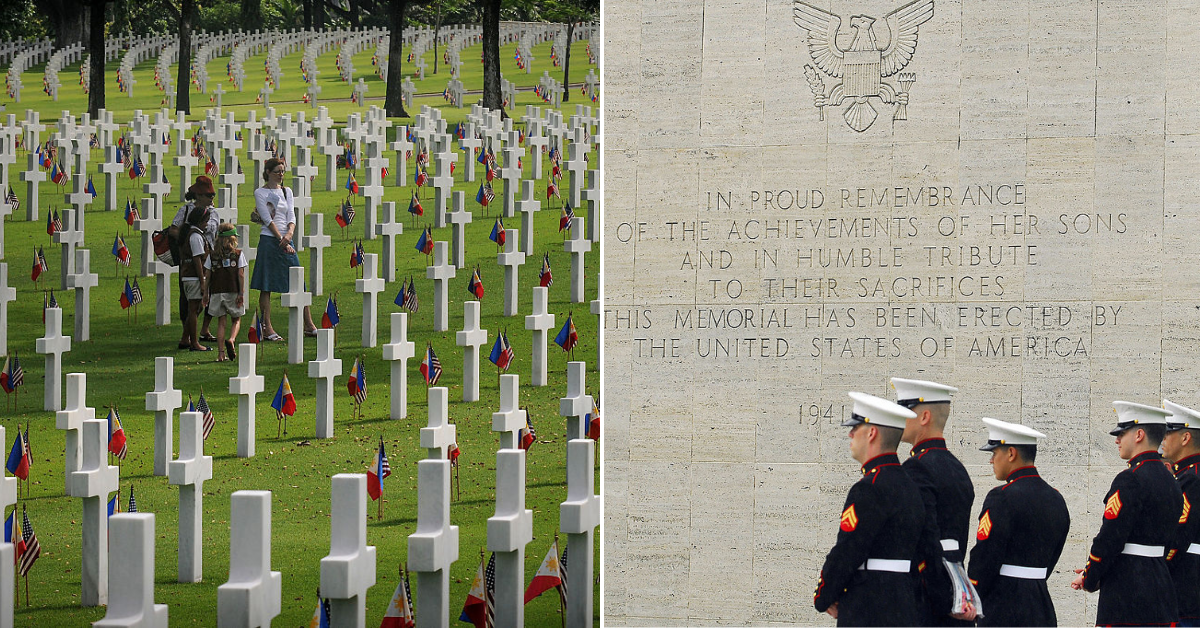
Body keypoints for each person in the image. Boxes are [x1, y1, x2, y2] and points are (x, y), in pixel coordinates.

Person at [814, 392, 924, 626]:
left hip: (868, 605)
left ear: (872, 433)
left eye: (856, 428)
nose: (850, 434)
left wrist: (824, 596)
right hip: (905, 603)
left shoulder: (869, 488)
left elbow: (848, 550)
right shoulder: (912, 487)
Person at [1071, 401, 1183, 626]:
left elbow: (1110, 538)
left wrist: (1091, 577)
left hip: (1128, 591)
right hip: (1161, 587)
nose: (1117, 440)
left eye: (1122, 433)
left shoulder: (1130, 479)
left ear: (1139, 434)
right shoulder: (1172, 481)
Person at [968, 417, 1070, 627]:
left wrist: (973, 595)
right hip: (1041, 604)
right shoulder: (1056, 498)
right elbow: (1053, 554)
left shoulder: (1001, 497)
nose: (991, 461)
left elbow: (985, 556)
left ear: (1011, 453)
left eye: (994, 453)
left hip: (1004, 606)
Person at [892, 377, 974, 626]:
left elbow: (924, 542)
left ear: (924, 417)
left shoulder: (916, 469)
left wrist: (944, 599)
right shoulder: (958, 469)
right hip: (956, 593)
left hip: (927, 602)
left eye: (904, 410)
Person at [249, 158, 316, 340]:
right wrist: (281, 238)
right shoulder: (260, 192)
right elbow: (266, 218)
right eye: (277, 171)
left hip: (287, 240)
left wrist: (289, 235)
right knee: (266, 284)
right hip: (270, 241)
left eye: (283, 171)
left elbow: (291, 216)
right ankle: (267, 326)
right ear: (268, 172)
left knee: (298, 281)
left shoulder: (287, 191)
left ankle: (308, 324)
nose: (281, 175)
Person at [1161, 400, 1200, 627]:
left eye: (1168, 433)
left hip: (1187, 583)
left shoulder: (1191, 478)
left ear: (1185, 438)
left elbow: (1178, 535)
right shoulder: (1185, 475)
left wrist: (1151, 570)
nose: (1162, 440)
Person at [171, 175, 219, 346]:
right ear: (198, 195)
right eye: (209, 195)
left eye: (213, 195)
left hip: (210, 258)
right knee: (190, 301)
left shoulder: (214, 213)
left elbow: (216, 234)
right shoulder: (186, 210)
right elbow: (174, 229)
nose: (212, 198)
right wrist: (190, 241)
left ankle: (201, 331)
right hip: (192, 262)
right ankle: (190, 336)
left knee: (208, 298)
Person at [204, 223, 247, 362]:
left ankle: (221, 354)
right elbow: (240, 274)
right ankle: (232, 339)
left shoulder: (212, 255)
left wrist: (206, 293)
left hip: (216, 292)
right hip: (233, 290)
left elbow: (208, 275)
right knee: (236, 319)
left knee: (221, 322)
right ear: (233, 238)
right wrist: (241, 292)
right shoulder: (238, 254)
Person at [179, 201, 212, 352]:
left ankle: (185, 339)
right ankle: (194, 343)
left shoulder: (194, 234)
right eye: (206, 221)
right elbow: (197, 259)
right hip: (194, 277)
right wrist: (202, 281)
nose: (207, 225)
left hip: (190, 277)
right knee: (193, 309)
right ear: (199, 221)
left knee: (197, 308)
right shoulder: (195, 237)